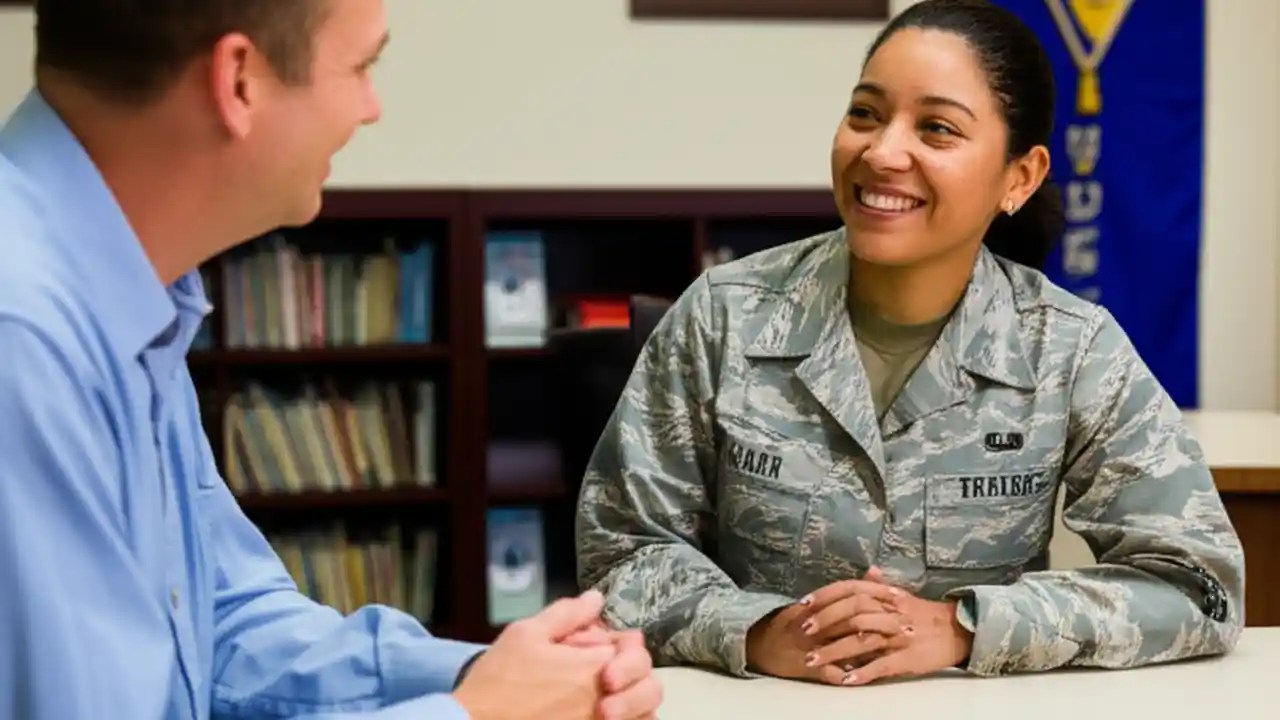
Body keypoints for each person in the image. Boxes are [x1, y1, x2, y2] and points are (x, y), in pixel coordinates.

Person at [0, 1, 662, 718]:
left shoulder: (119, 288)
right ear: (240, 82)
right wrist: (482, 715)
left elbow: (226, 631)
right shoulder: (22, 342)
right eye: (360, 67)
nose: (370, 108)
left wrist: (503, 677)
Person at [575, 0, 1244, 688]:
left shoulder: (1068, 349)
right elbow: (621, 555)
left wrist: (965, 627)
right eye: (866, 113)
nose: (883, 152)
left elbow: (1198, 586)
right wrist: (760, 630)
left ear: (1020, 177)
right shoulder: (723, 316)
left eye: (937, 128)